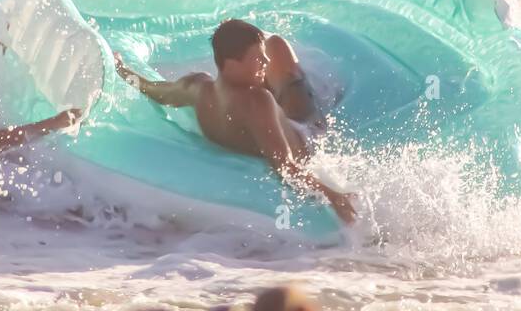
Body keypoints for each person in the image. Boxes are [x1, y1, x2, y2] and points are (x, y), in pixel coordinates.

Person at [113, 20, 357, 224]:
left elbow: (156, 91)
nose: (266, 63)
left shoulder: (198, 88)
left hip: (287, 124)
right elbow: (284, 166)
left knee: (271, 47)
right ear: (231, 63)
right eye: (257, 59)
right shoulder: (257, 101)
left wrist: (122, 70)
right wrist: (333, 196)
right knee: (279, 49)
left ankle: (257, 62)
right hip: (307, 129)